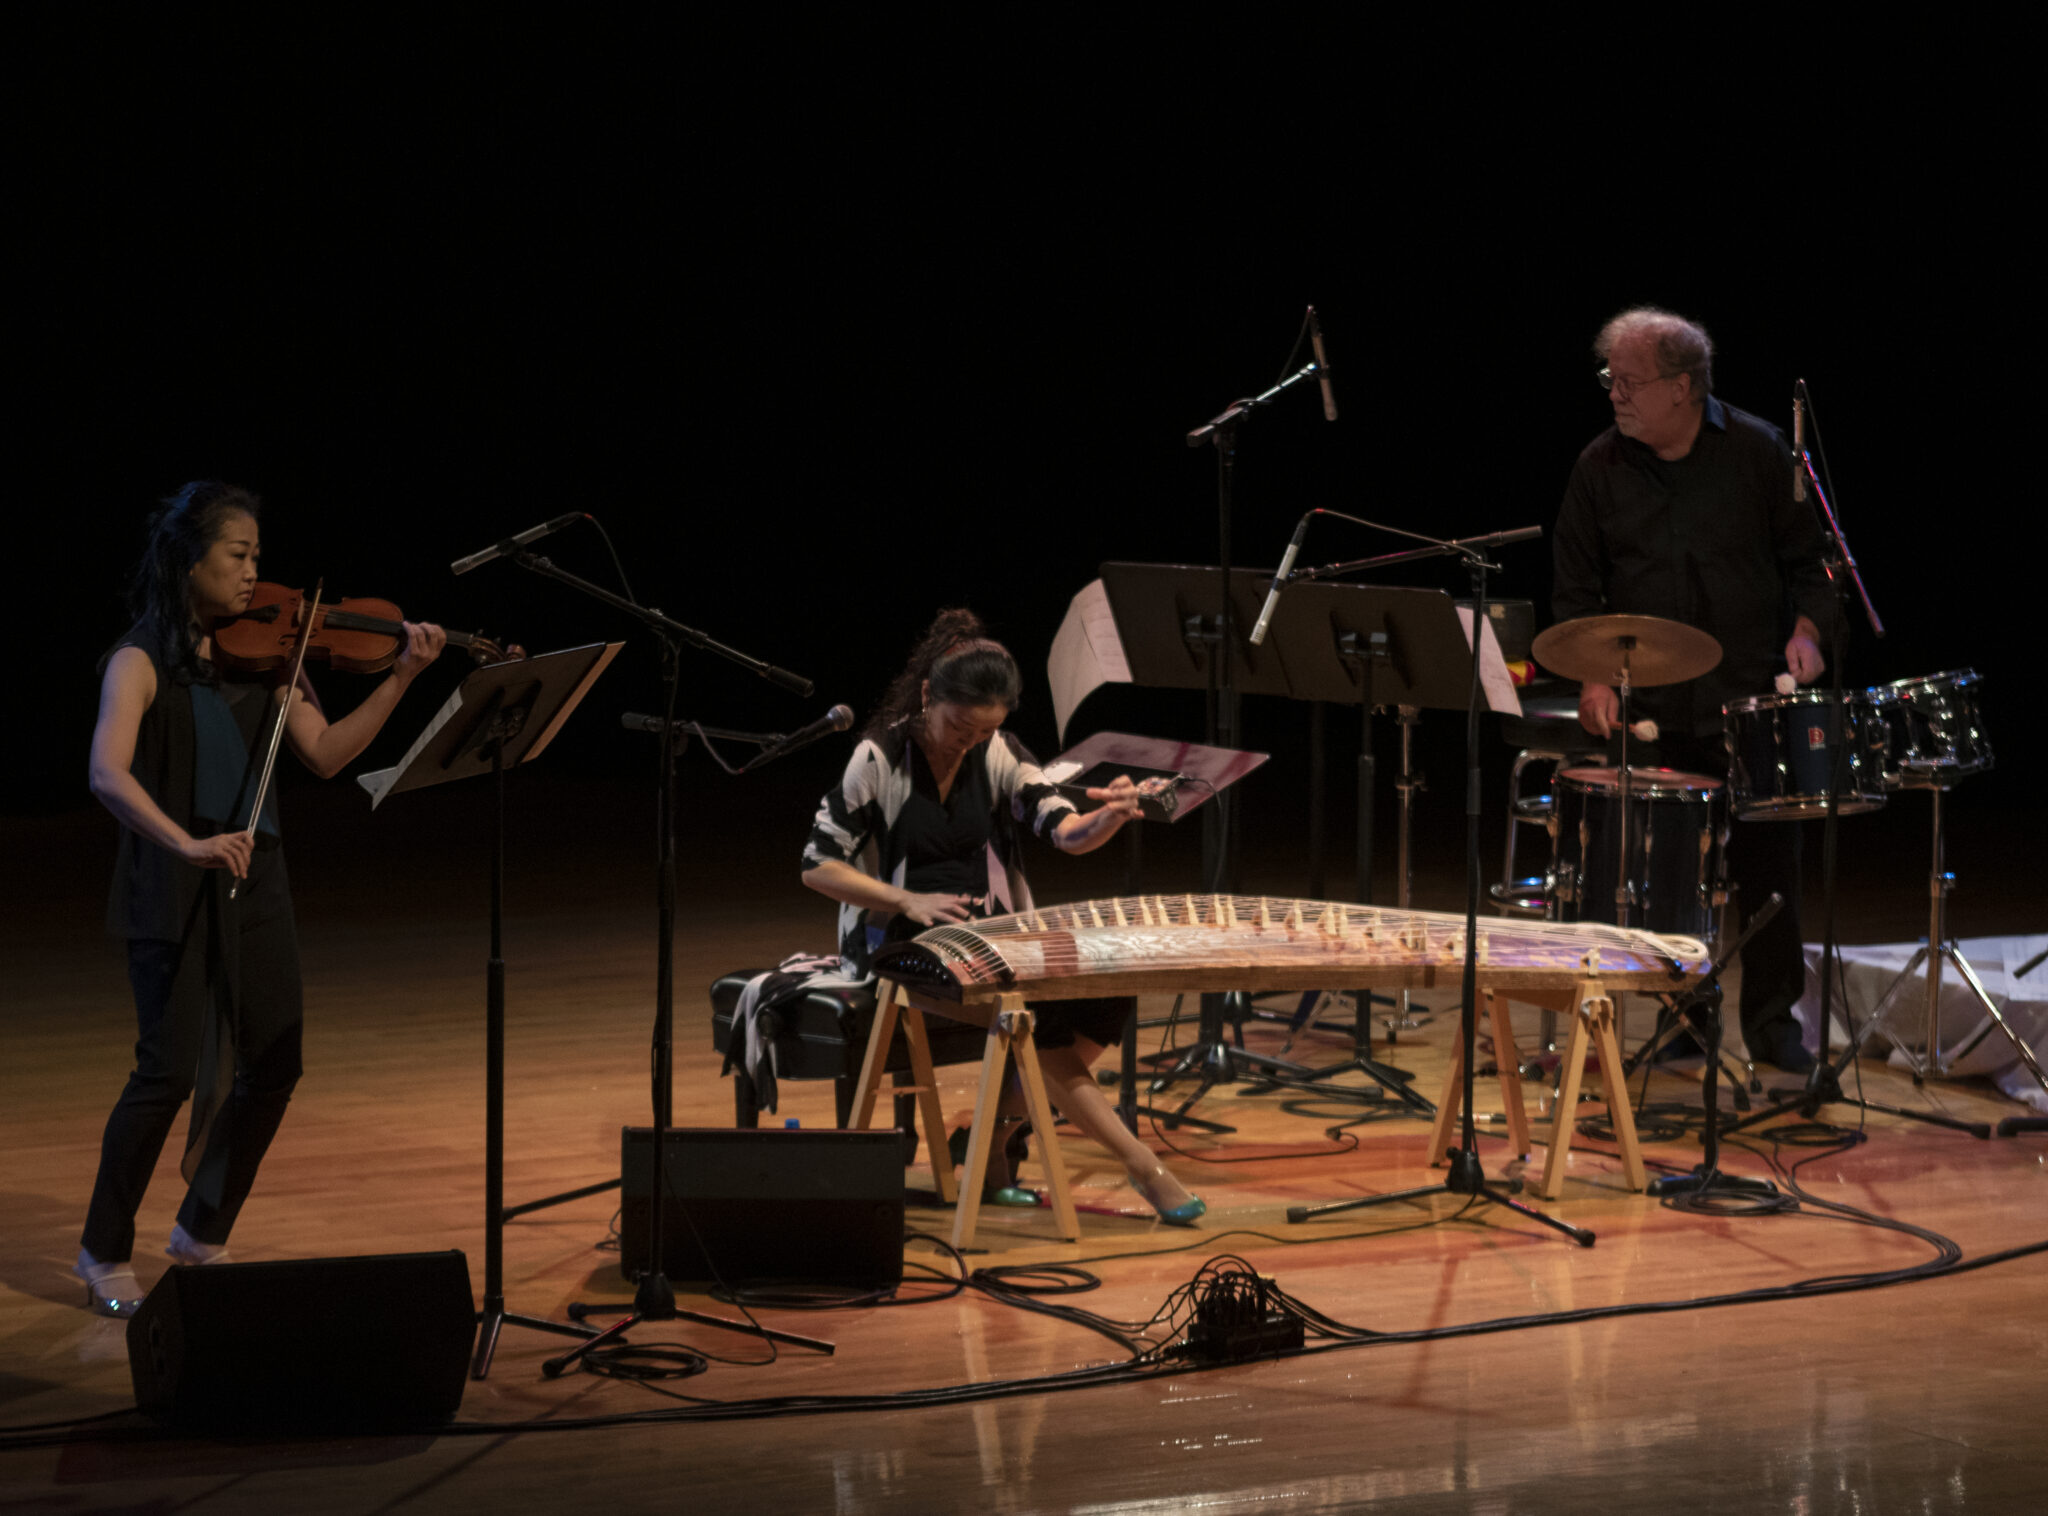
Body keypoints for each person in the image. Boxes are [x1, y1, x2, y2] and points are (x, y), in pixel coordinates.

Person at [75, 482, 449, 1316]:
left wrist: (403, 680)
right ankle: (101, 1249)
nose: (254, 576)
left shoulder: (271, 658)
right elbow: (107, 772)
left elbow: (323, 755)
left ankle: (202, 1227)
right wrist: (186, 841)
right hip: (174, 877)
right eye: (237, 556)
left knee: (276, 1061)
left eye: (257, 558)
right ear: (188, 560)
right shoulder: (138, 661)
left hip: (257, 874)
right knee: (165, 1073)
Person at [801, 609, 1204, 1224]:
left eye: (983, 729)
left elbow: (1063, 830)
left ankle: (987, 1141)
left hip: (992, 936)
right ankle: (1142, 1166)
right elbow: (817, 866)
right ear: (929, 695)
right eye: (959, 725)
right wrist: (908, 901)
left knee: (1106, 997)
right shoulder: (877, 758)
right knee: (1031, 1018)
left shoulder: (998, 752)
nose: (968, 740)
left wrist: (1111, 816)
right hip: (898, 943)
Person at [1552, 307, 1834, 1073]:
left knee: (1770, 879)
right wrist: (1590, 675)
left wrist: (1807, 633)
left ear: (1682, 387)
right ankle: (1684, 1023)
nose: (1614, 393)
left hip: (1750, 702)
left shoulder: (1760, 451)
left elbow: (1814, 565)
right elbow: (1576, 591)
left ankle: (1777, 1032)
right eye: (1609, 377)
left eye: (1629, 380)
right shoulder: (1598, 468)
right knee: (1673, 883)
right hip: (1655, 711)